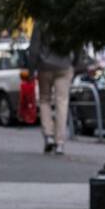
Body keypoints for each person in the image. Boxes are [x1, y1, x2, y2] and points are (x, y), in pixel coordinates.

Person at [28, 21, 74, 153]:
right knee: (62, 102)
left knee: (44, 100)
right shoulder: (68, 18)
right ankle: (60, 142)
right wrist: (74, 63)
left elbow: (34, 48)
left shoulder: (42, 20)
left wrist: (31, 70)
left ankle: (48, 136)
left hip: (45, 66)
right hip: (64, 65)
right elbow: (77, 44)